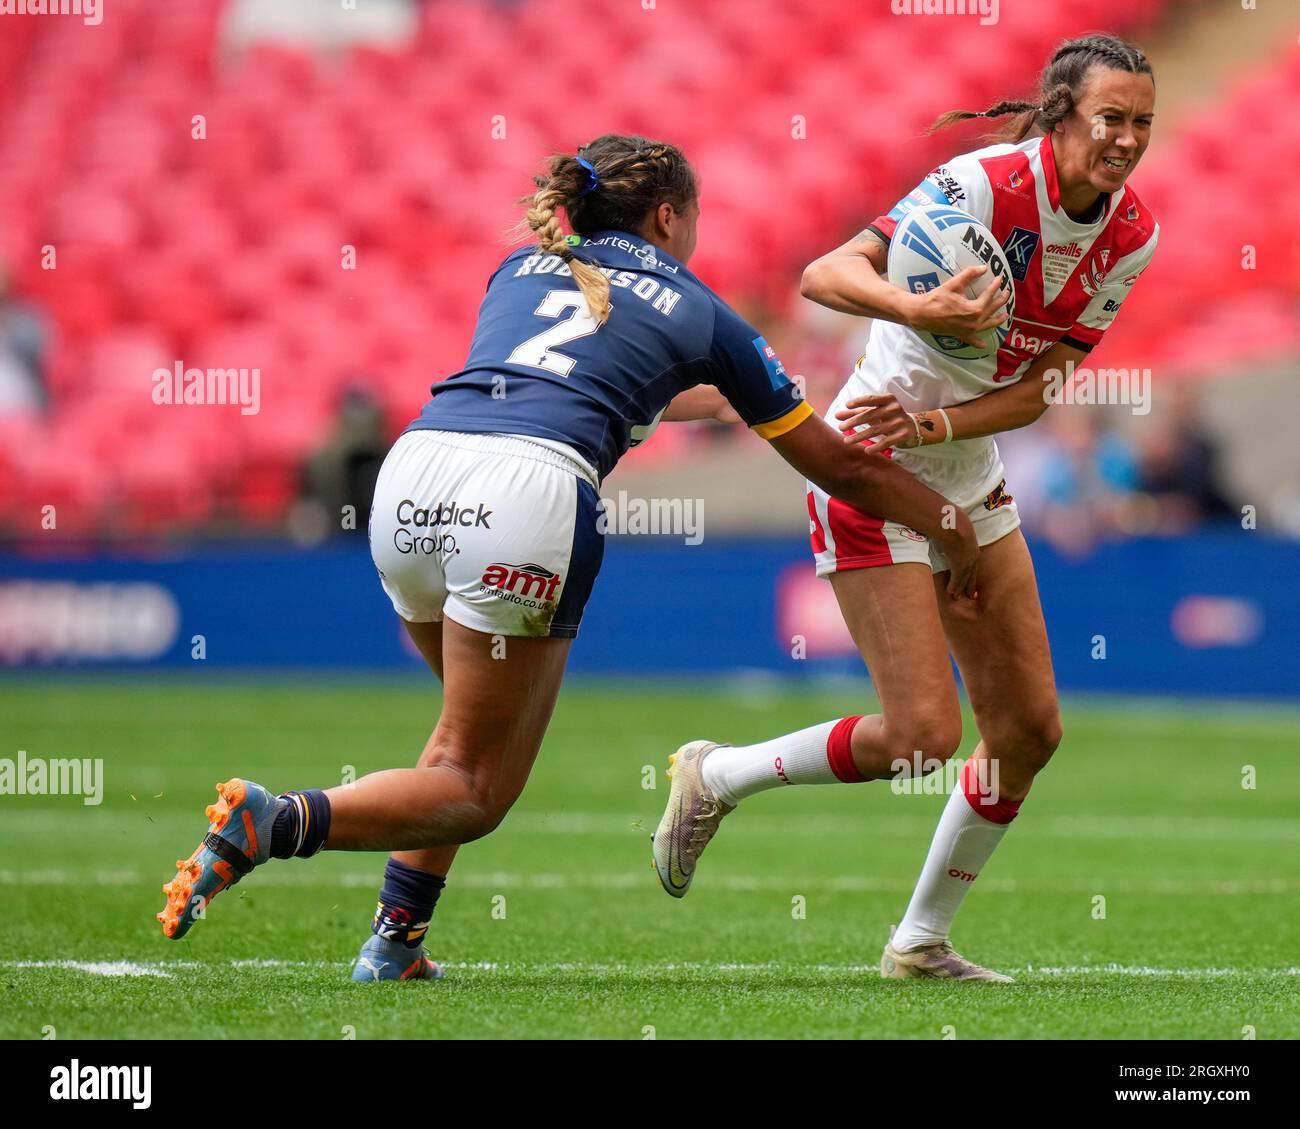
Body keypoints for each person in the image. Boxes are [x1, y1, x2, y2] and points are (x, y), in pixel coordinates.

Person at [156, 133, 980, 980]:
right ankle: (278, 820)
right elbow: (836, 463)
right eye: (693, 216)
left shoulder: (521, 266)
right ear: (668, 214)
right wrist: (948, 521)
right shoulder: (697, 306)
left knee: (455, 748)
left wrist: (748, 400)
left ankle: (394, 944)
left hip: (415, 474)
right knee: (477, 786)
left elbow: (596, 375)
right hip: (527, 496)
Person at [653, 34, 1160, 983]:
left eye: (1141, 122)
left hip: (959, 460)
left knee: (1028, 731)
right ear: (1061, 113)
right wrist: (914, 309)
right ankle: (714, 775)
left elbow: (1038, 391)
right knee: (921, 734)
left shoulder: (1133, 235)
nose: (1127, 139)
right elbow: (822, 276)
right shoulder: (978, 185)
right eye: (1110, 118)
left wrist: (935, 422)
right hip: (870, 466)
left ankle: (920, 942)